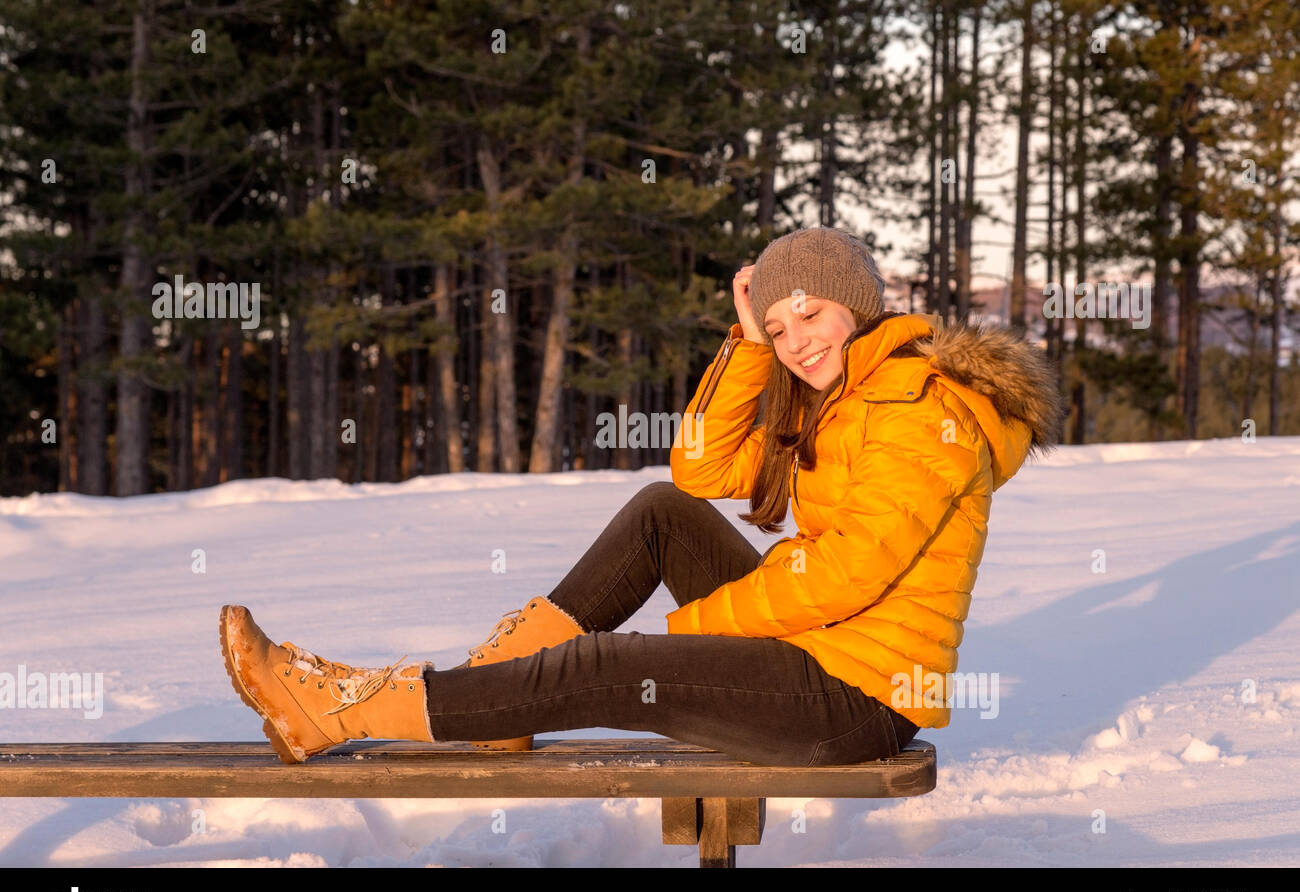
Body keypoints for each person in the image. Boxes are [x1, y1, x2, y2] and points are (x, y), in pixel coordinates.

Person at [219, 226, 1067, 766]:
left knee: (606, 667)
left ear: (855, 305)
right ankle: (496, 697)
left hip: (855, 698)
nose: (797, 342)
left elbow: (848, 574)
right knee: (664, 512)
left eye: (808, 317)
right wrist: (745, 343)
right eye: (781, 328)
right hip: (824, 649)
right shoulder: (840, 397)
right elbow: (700, 470)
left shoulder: (919, 408)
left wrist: (691, 632)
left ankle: (342, 706)